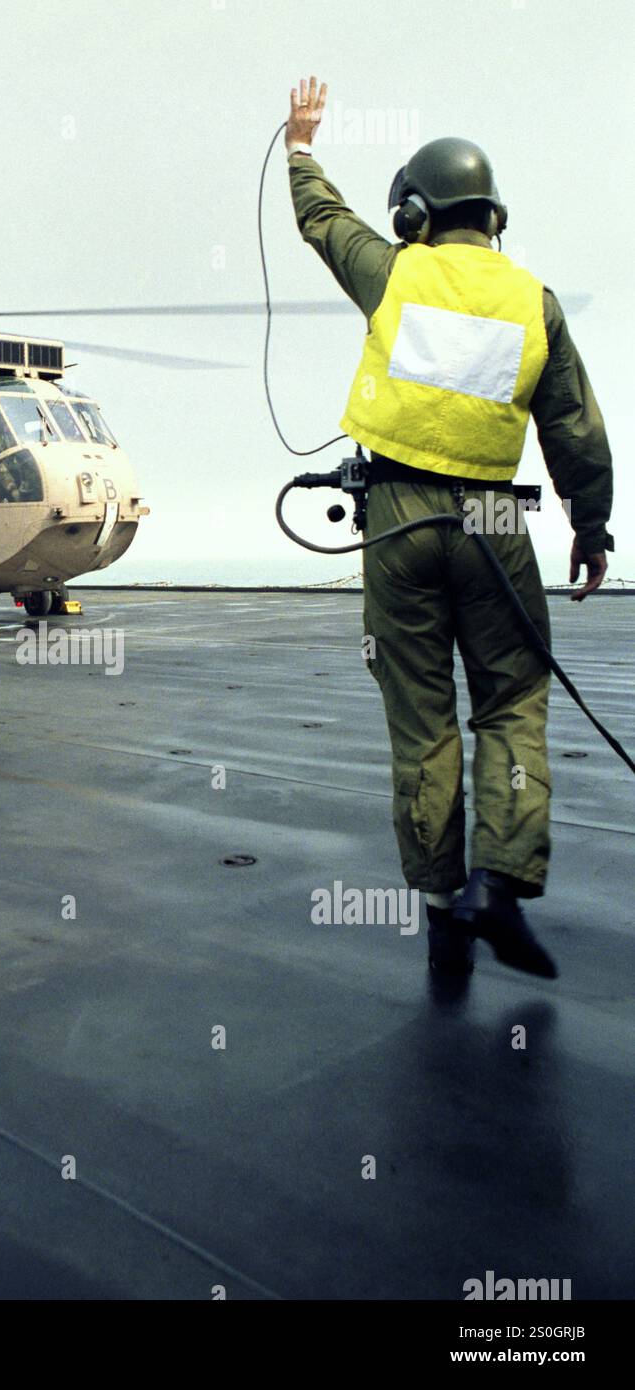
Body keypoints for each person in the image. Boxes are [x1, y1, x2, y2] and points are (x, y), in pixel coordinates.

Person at [285, 77, 614, 980]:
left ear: (416, 212)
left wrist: (302, 144)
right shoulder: (533, 300)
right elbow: (576, 430)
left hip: (397, 522)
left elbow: (324, 221)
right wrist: (593, 529)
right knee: (510, 702)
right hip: (493, 519)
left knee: (421, 721)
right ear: (492, 213)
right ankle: (498, 886)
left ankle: (438, 912)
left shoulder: (394, 271)